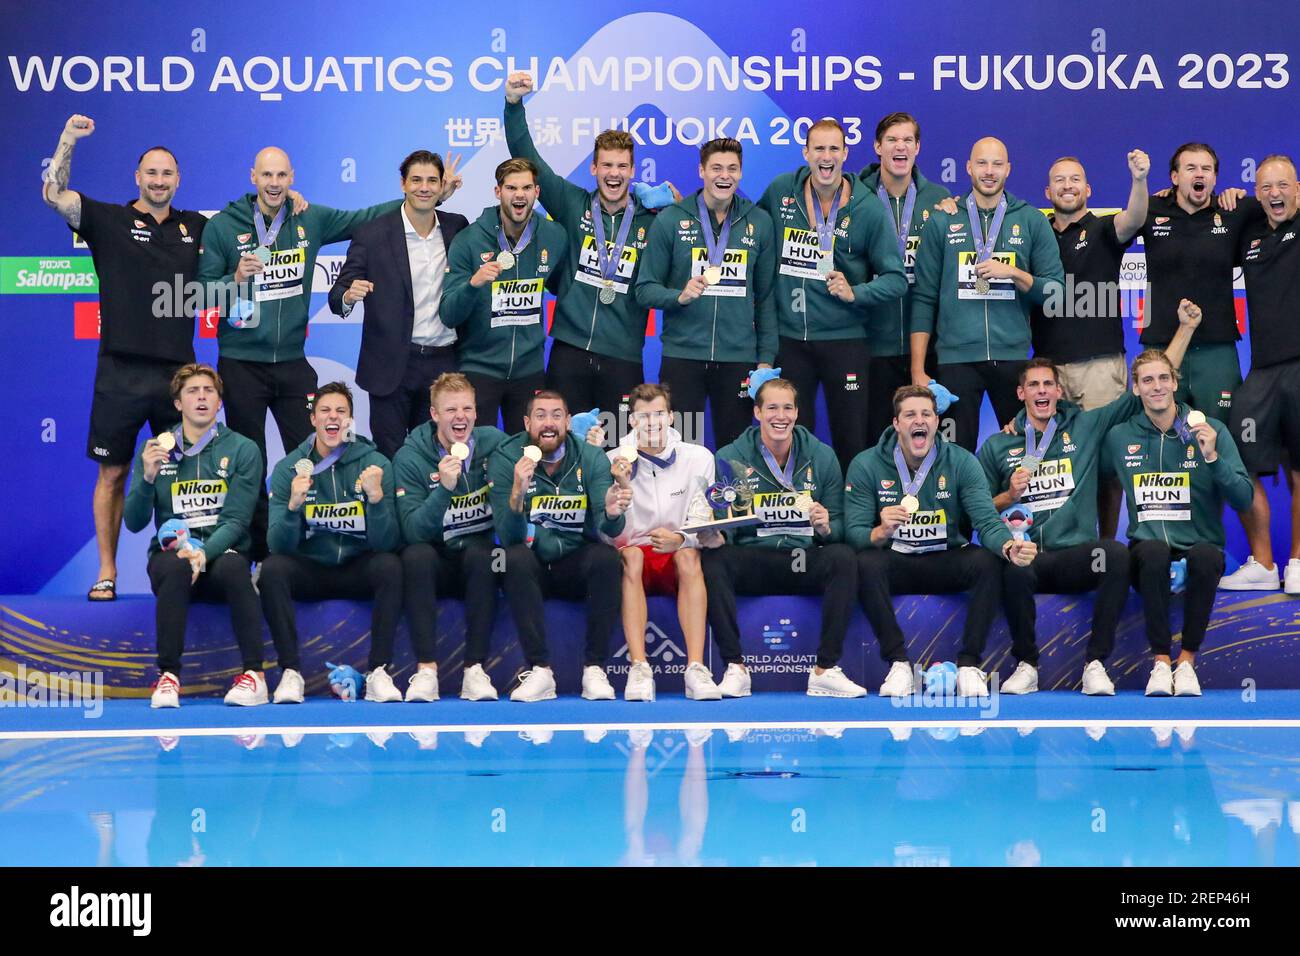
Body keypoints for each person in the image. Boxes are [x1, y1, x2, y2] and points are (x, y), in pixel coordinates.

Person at [977, 305, 1197, 695]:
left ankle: (1095, 664)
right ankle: (1026, 665)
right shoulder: (998, 445)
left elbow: (1146, 390)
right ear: (1020, 393)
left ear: (1059, 391)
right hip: (1025, 556)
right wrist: (1008, 495)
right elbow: (977, 510)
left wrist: (1185, 329)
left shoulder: (1086, 424)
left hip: (1074, 556)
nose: (1042, 391)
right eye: (1034, 386)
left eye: (1048, 385)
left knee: (1114, 554)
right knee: (1009, 565)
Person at [197, 147, 403, 553]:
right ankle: (257, 554)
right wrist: (235, 277)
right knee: (247, 465)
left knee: (315, 453)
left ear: (292, 177)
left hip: (293, 361)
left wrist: (422, 198)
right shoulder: (223, 227)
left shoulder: (309, 217)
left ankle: (314, 545)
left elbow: (364, 217)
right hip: (242, 363)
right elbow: (201, 295)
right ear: (252, 176)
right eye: (267, 176)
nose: (274, 184)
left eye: (281, 176)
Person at [41, 115, 207, 601]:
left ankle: (182, 571)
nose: (159, 181)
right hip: (119, 370)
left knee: (179, 478)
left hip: (177, 374)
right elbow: (54, 194)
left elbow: (261, 214)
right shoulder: (108, 219)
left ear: (178, 180)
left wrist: (295, 200)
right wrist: (67, 138)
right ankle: (107, 572)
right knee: (113, 473)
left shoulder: (196, 226)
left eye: (167, 174)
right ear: (138, 178)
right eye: (151, 173)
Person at [846, 385, 1035, 698]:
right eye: (910, 415)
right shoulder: (866, 464)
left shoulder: (961, 462)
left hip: (946, 558)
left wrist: (1007, 545)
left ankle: (969, 665)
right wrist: (880, 531)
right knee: (864, 562)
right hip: (896, 560)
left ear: (936, 421)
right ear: (896, 423)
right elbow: (852, 531)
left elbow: (986, 520)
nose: (919, 421)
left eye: (926, 414)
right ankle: (898, 664)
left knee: (988, 562)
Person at [503, 72, 660, 421]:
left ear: (633, 170)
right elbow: (527, 156)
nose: (614, 173)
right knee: (558, 441)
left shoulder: (653, 219)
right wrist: (514, 105)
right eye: (607, 165)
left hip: (623, 356)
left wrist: (675, 201)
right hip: (569, 351)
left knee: (620, 448)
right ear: (594, 168)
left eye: (622, 166)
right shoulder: (573, 203)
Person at [757, 119, 907, 471]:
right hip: (791, 340)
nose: (827, 157)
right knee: (793, 437)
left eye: (833, 149)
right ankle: (799, 514)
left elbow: (896, 279)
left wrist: (857, 292)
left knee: (851, 439)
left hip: (846, 342)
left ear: (845, 154)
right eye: (819, 149)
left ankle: (849, 519)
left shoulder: (866, 207)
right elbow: (745, 225)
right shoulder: (781, 191)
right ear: (806, 153)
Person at [1103, 349, 1253, 696]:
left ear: (1175, 382)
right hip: (1148, 550)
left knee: (1205, 557)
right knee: (1153, 552)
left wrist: (1213, 458)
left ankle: (1186, 663)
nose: (1157, 387)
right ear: (1136, 389)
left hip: (1202, 547)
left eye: (1163, 378)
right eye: (1147, 380)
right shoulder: (1119, 437)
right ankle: (1160, 663)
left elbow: (1243, 497)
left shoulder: (1211, 430)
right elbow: (1085, 470)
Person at [700, 377, 862, 698]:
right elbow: (724, 520)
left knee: (843, 557)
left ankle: (825, 670)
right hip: (755, 561)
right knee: (715, 560)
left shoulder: (822, 456)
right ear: (757, 413)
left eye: (788, 408)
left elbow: (844, 528)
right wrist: (717, 533)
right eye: (772, 408)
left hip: (801, 561)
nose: (781, 416)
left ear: (797, 413)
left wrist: (826, 526)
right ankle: (735, 668)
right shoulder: (731, 457)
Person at [910, 137, 1065, 451]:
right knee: (953, 456)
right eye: (982, 163)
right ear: (969, 168)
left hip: (1013, 359)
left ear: (1008, 169)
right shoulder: (944, 220)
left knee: (1022, 453)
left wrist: (1015, 274)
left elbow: (1056, 292)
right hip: (956, 361)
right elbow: (924, 297)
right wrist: (917, 369)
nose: (989, 171)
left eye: (997, 164)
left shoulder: (1031, 220)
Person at [122, 364, 264, 707]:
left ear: (219, 403)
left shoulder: (244, 449)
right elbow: (134, 521)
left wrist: (204, 553)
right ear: (177, 404)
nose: (201, 396)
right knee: (174, 566)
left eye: (209, 391)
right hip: (173, 561)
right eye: (192, 391)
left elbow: (236, 520)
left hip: (220, 558)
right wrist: (148, 478)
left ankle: (255, 677)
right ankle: (168, 676)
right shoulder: (155, 450)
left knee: (234, 568)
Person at [261, 382, 402, 703]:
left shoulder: (375, 464)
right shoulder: (288, 470)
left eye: (341, 411)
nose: (332, 417)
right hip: (310, 570)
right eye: (325, 411)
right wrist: (294, 506)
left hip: (357, 567)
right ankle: (290, 673)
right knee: (272, 569)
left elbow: (388, 542)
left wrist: (377, 499)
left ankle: (379, 671)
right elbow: (277, 545)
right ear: (313, 419)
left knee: (391, 565)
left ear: (351, 421)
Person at [1034, 150, 1151, 537]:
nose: (1067, 186)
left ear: (1088, 188)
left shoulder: (1103, 229)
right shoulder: (1036, 233)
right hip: (1049, 368)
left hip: (1100, 365)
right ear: (1047, 190)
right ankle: (1066, 544)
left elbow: (1135, 218)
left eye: (1075, 179)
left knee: (1106, 458)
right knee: (1059, 462)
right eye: (1059, 180)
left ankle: (1105, 546)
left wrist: (1138, 179)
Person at [487, 391, 631, 701]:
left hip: (575, 563)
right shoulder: (505, 457)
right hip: (533, 566)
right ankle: (540, 670)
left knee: (607, 559)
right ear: (527, 422)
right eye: (540, 416)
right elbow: (509, 535)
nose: (548, 423)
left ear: (567, 421)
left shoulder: (590, 457)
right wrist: (516, 494)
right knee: (509, 558)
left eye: (556, 415)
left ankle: (595, 669)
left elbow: (609, 529)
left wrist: (612, 513)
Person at [328, 150, 469, 460]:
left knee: (437, 458)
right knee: (391, 458)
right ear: (403, 184)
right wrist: (348, 297)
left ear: (441, 186)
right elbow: (338, 294)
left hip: (443, 363)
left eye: (432, 181)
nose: (424, 187)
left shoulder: (457, 227)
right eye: (416, 180)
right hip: (391, 366)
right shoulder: (372, 234)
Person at [636, 138, 778, 448]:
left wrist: (765, 360)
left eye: (732, 169)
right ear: (701, 170)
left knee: (737, 452)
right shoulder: (671, 220)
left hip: (738, 360)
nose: (724, 176)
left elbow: (766, 298)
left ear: (740, 174)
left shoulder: (760, 222)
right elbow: (644, 290)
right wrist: (679, 297)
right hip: (683, 358)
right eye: (716, 168)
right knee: (682, 449)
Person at [393, 373, 506, 701]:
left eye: (467, 408)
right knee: (415, 555)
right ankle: (426, 671)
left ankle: (475, 670)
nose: (461, 416)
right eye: (451, 409)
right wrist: (443, 490)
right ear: (434, 415)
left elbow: (535, 446)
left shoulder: (493, 444)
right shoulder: (410, 458)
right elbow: (413, 530)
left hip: (477, 557)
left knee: (486, 555)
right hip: (435, 559)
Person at [604, 383, 719, 701]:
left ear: (671, 417)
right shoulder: (614, 460)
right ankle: (639, 668)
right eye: (644, 416)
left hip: (677, 551)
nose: (652, 422)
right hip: (636, 553)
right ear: (631, 421)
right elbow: (611, 534)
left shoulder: (698, 457)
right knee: (631, 556)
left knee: (689, 556)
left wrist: (681, 538)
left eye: (658, 414)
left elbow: (703, 518)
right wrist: (620, 488)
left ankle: (695, 668)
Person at [1219, 155, 1300, 593]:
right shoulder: (1250, 231)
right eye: (1265, 187)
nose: (1274, 194)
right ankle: (1265, 563)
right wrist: (1234, 197)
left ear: (1298, 188)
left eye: (1283, 186)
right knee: (1240, 452)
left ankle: (1299, 563)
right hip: (1263, 368)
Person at [441, 158, 569, 431]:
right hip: (479, 368)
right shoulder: (469, 240)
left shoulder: (555, 236)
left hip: (529, 370)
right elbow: (448, 314)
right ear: (498, 192)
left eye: (526, 187)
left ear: (537, 192)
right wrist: (472, 284)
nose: (519, 194)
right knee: (474, 456)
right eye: (511, 187)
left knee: (527, 455)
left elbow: (561, 284)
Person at [860, 112, 952, 443]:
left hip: (928, 346)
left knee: (927, 440)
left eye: (908, 140)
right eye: (892, 140)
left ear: (918, 148)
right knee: (876, 438)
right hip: (872, 343)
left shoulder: (939, 199)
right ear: (877, 147)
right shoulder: (855, 197)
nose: (900, 147)